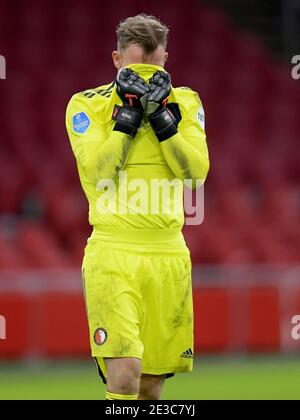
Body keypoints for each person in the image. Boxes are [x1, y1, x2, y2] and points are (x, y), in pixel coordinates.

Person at [66, 13, 209, 400]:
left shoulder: (185, 102)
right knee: (126, 375)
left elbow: (196, 175)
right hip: (114, 251)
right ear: (116, 61)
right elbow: (98, 172)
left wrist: (163, 119)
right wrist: (126, 118)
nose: (145, 77)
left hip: (169, 253)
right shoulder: (86, 105)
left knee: (150, 388)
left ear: (166, 60)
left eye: (153, 67)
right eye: (134, 69)